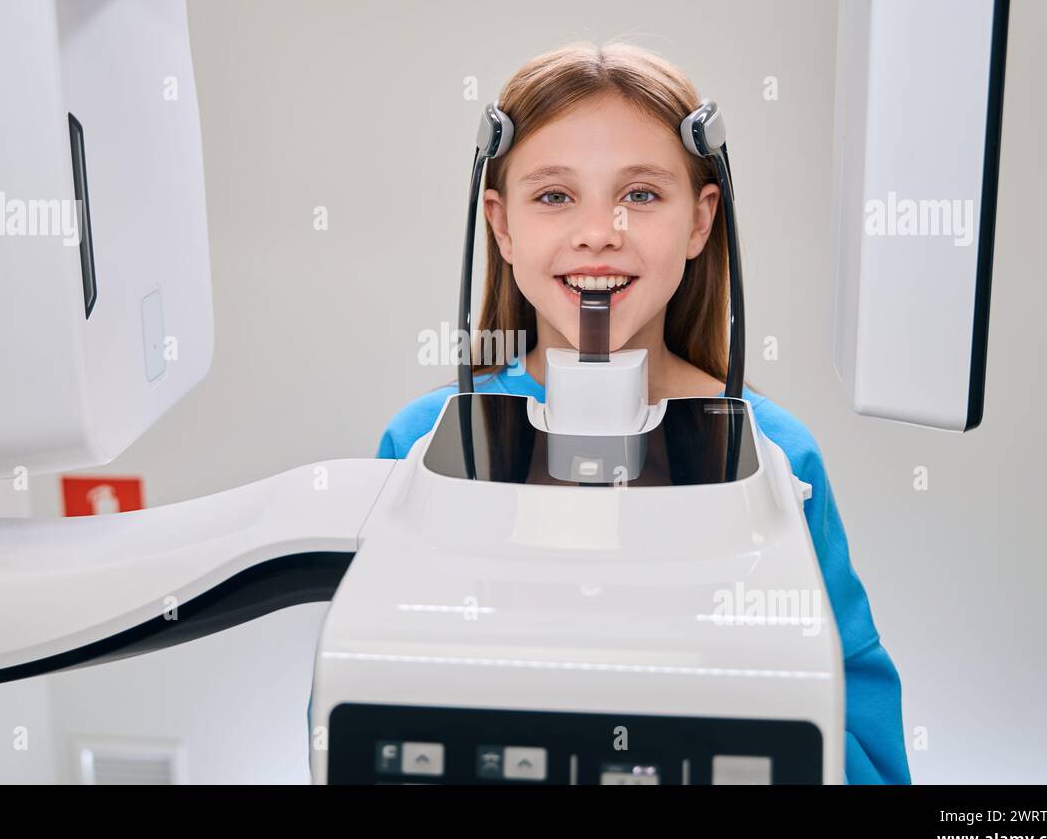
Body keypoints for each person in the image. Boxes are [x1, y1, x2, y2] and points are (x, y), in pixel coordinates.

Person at [374, 41, 910, 784]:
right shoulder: (425, 444)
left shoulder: (777, 455)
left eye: (642, 195)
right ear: (499, 224)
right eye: (555, 196)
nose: (600, 231)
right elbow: (361, 707)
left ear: (700, 220)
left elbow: (862, 737)